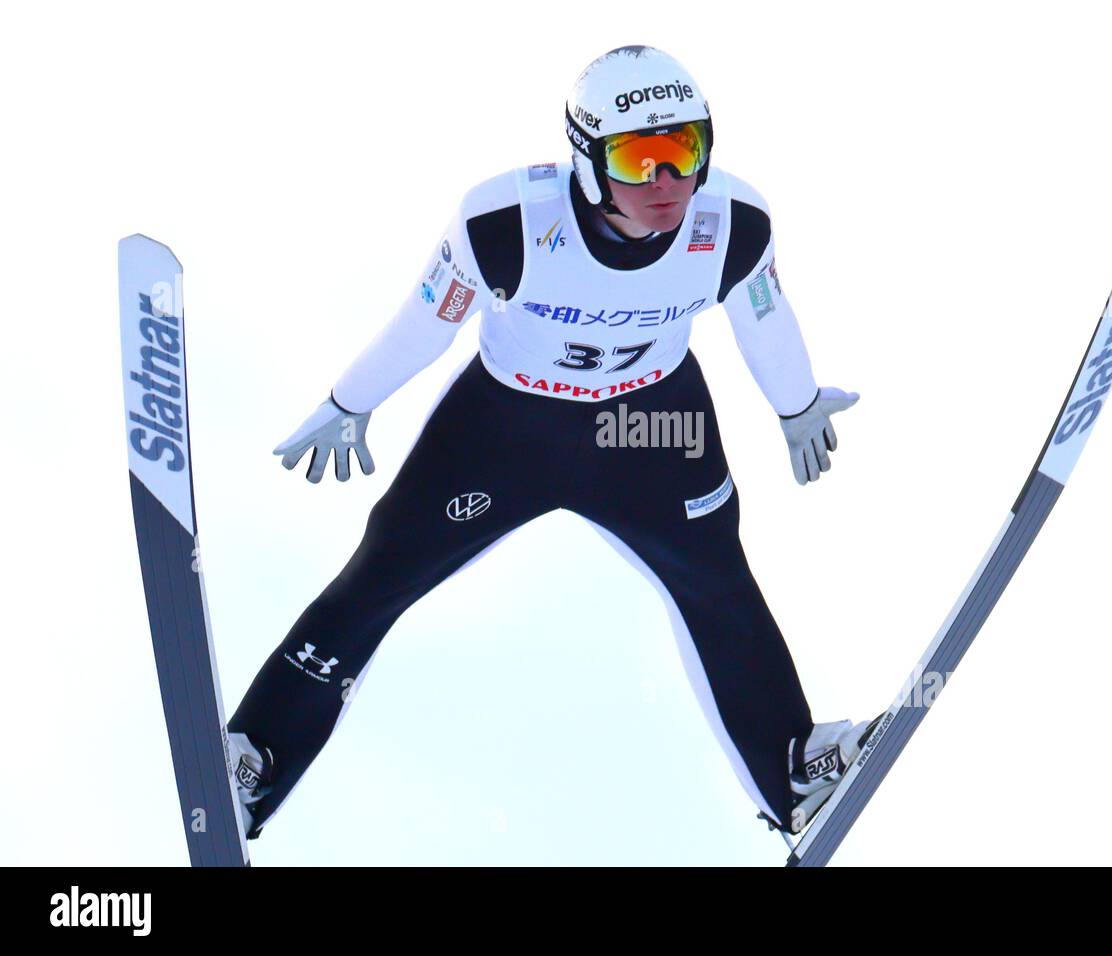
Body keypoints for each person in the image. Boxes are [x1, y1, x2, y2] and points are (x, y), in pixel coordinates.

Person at [226, 45, 874, 845]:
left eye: (687, 150)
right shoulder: (506, 225)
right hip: (507, 430)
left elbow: (764, 317)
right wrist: (349, 402)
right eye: (641, 158)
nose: (668, 183)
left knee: (718, 583)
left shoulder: (733, 224)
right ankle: (254, 756)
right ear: (587, 158)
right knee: (381, 573)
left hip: (649, 427)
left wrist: (797, 405)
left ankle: (797, 771)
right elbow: (426, 322)